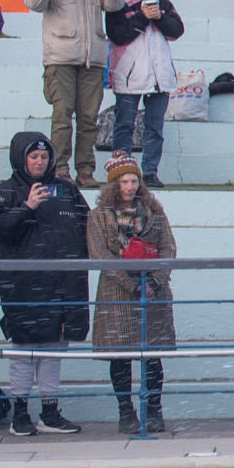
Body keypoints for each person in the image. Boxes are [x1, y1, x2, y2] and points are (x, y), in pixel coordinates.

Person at [0, 130, 89, 436]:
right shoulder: (6, 191)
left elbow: (89, 225)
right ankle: (20, 414)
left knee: (54, 351)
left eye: (45, 156)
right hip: (25, 285)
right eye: (33, 156)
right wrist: (27, 207)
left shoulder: (66, 190)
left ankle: (50, 412)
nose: (40, 162)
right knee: (24, 351)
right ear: (21, 158)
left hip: (65, 286)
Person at [82, 155, 173, 435]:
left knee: (152, 355)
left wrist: (154, 281)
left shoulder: (155, 212)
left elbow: (168, 249)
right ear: (114, 185)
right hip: (116, 292)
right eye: (124, 181)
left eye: (134, 181)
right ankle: (126, 412)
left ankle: (154, 411)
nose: (130, 186)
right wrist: (131, 282)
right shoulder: (98, 216)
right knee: (120, 355)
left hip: (153, 291)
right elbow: (100, 254)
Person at [22, 0, 112, 184]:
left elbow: (113, 6)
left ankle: (85, 170)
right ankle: (60, 169)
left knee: (89, 118)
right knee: (62, 116)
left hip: (93, 58)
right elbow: (33, 3)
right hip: (60, 58)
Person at [95, 0, 182, 189]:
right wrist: (143, 17)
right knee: (124, 124)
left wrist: (159, 18)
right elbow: (117, 35)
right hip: (128, 72)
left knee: (155, 128)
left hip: (159, 74)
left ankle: (150, 172)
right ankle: (121, 171)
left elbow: (177, 30)